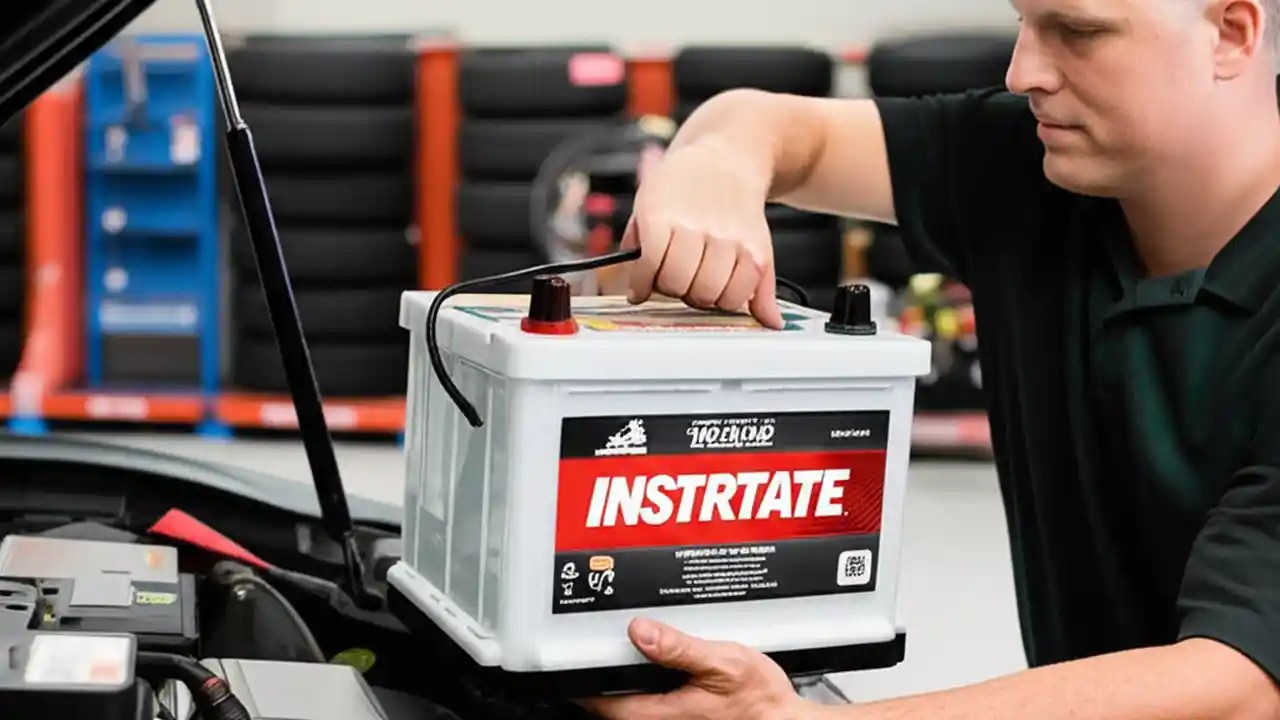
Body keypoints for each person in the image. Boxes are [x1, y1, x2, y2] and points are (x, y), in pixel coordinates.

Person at [581, 0, 1280, 717]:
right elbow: (776, 125)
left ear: (1231, 33)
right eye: (1023, 24)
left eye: (1078, 31)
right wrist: (715, 166)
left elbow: (1243, 687)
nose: (1022, 72)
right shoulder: (1034, 163)